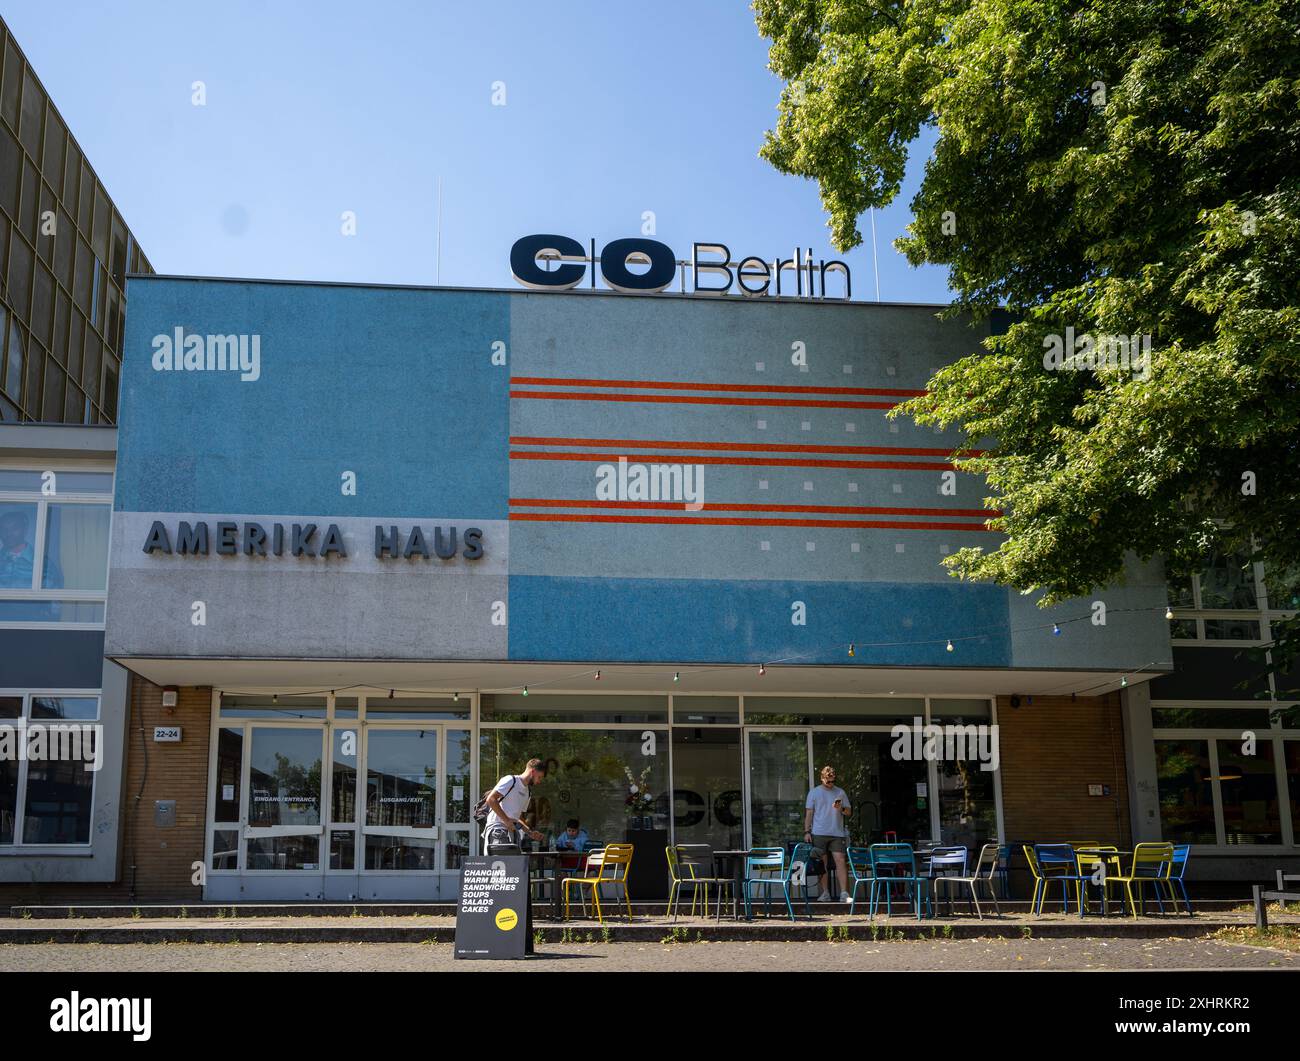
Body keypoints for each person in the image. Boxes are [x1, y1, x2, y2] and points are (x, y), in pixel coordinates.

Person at [804, 764, 853, 902]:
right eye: (828, 781)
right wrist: (807, 831)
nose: (831, 784)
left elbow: (848, 812)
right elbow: (809, 813)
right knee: (822, 863)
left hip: (837, 832)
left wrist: (841, 808)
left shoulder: (840, 792)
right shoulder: (814, 792)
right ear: (822, 778)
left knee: (840, 860)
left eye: (833, 781)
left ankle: (844, 893)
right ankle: (825, 892)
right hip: (819, 832)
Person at [482, 758, 547, 853]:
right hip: (498, 830)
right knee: (499, 866)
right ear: (533, 772)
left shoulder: (528, 792)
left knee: (513, 866)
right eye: (539, 777)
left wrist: (530, 832)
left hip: (512, 833)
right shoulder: (511, 780)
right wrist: (507, 820)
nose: (539, 781)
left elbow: (517, 816)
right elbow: (491, 799)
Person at [0, 510, 35, 589]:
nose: (8, 533)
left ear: (25, 530)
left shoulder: (42, 564)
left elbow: (51, 598)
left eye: (14, 528)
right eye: (4, 529)